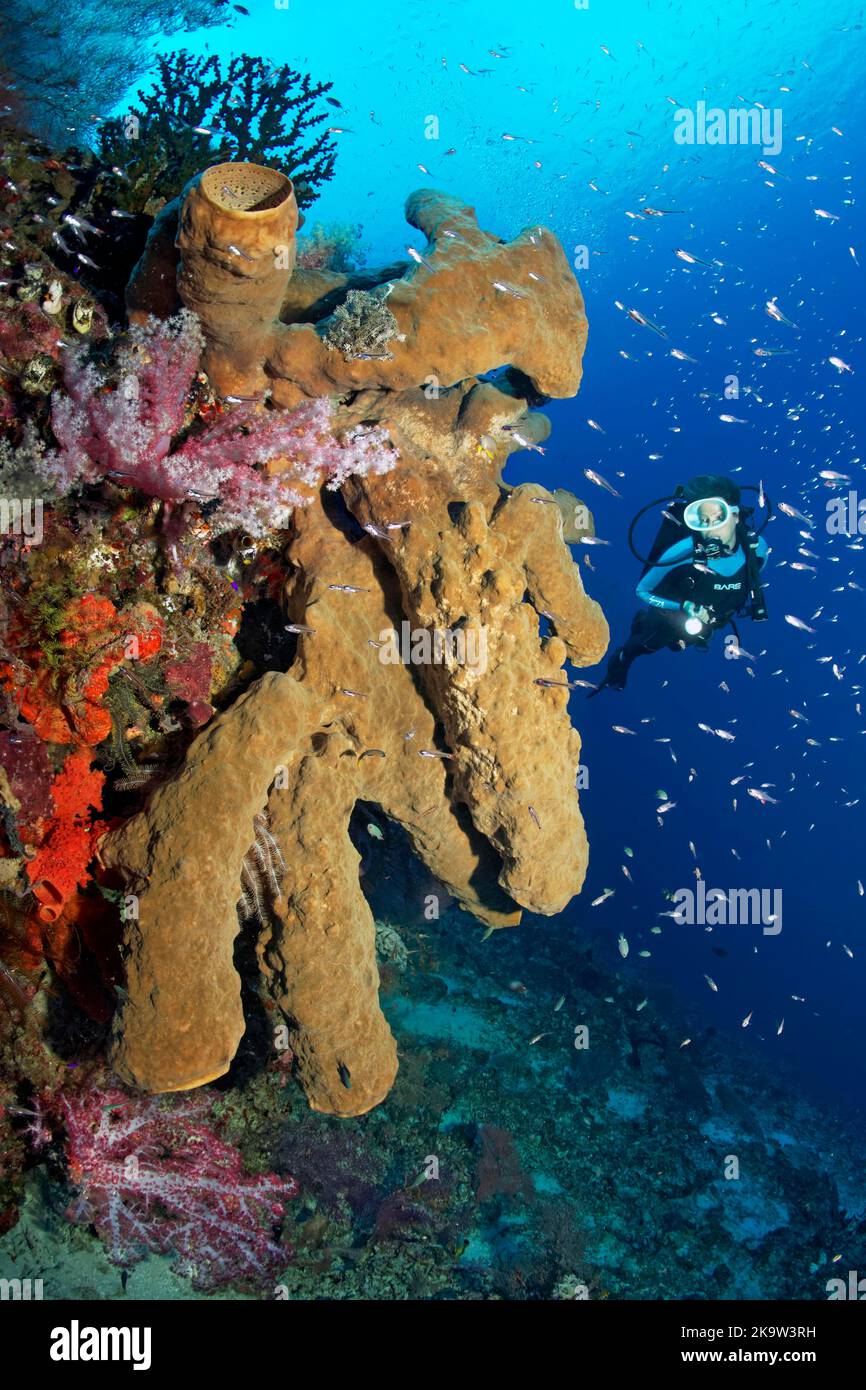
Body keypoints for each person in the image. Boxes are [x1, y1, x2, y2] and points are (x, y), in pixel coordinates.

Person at [592, 484, 769, 694]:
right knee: (647, 646)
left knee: (680, 645)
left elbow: (749, 579)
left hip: (710, 624)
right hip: (673, 616)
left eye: (718, 517)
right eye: (703, 520)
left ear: (736, 516)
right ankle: (624, 657)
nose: (710, 528)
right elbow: (642, 591)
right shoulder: (683, 552)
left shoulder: (757, 550)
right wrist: (683, 605)